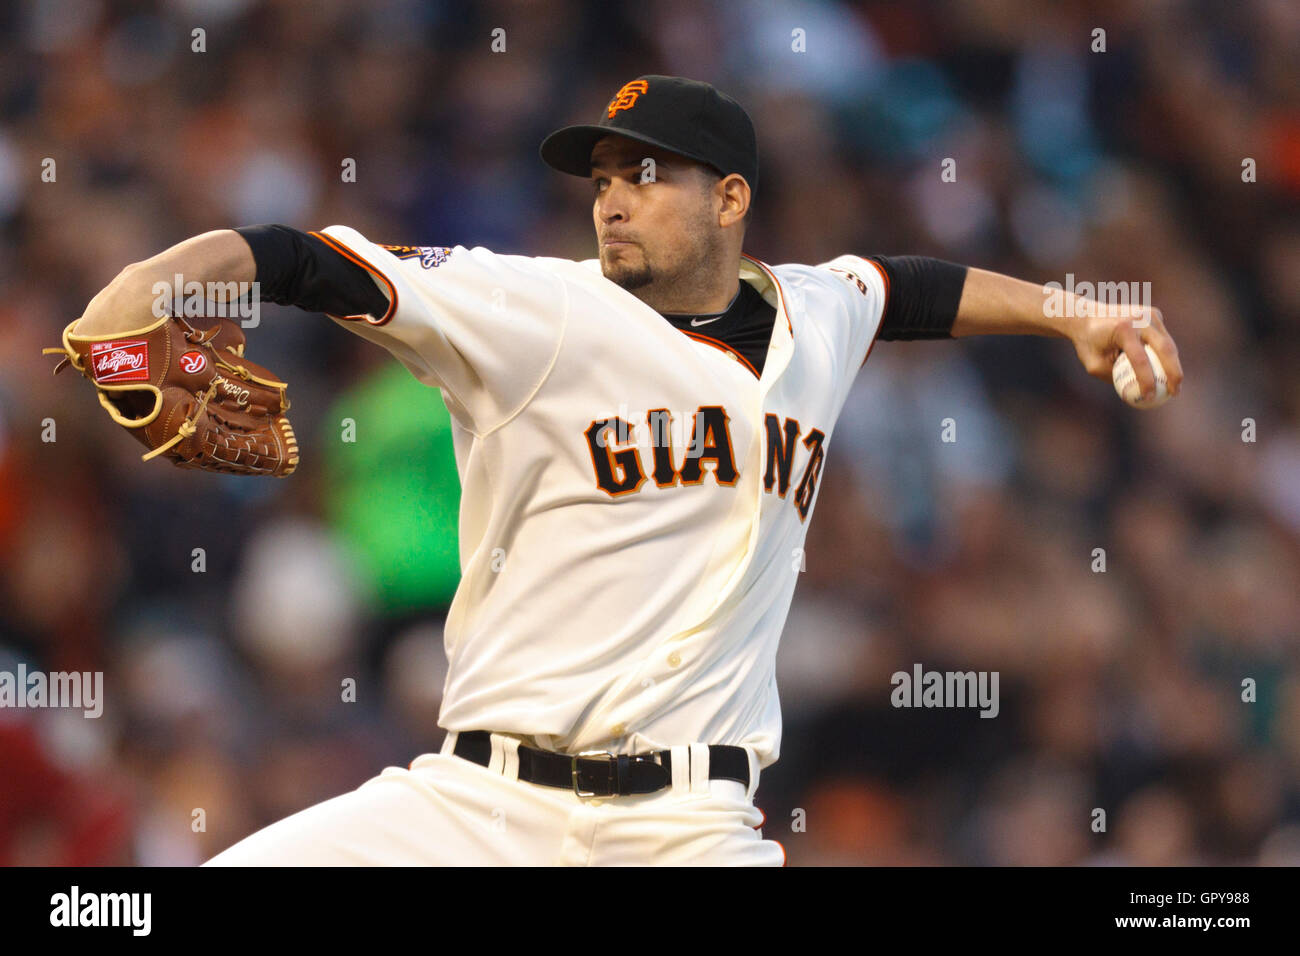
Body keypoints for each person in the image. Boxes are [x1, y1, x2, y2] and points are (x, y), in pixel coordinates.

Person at [72, 75, 1182, 866]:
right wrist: (163, 274)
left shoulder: (815, 312)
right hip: (479, 807)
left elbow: (905, 287)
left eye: (646, 174)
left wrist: (1070, 313)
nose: (610, 195)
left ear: (731, 198)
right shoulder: (539, 309)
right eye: (603, 174)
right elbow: (317, 259)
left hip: (688, 828)